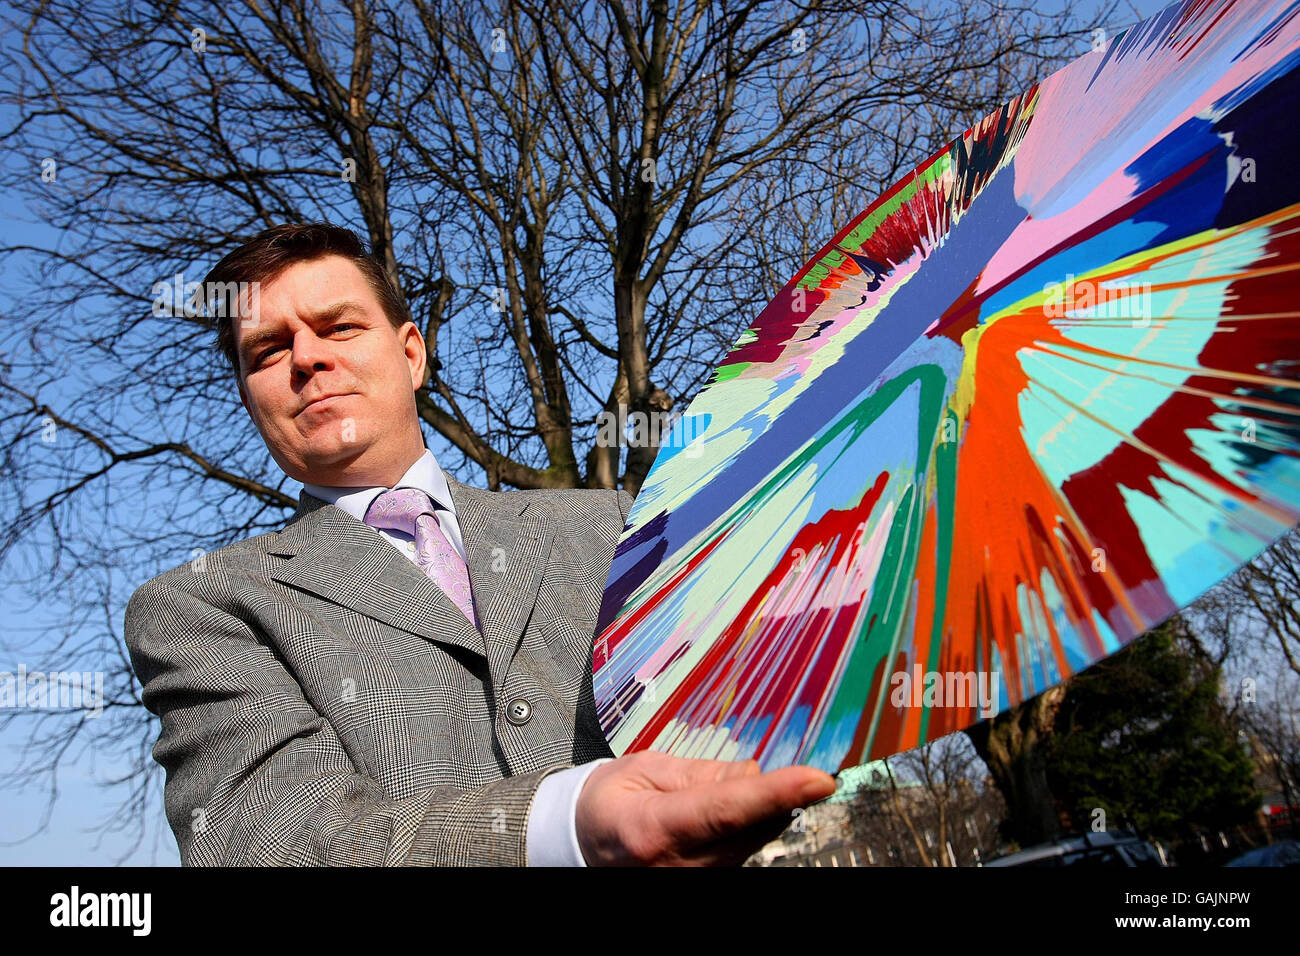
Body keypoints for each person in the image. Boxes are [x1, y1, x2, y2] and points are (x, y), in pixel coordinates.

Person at [124, 222, 836, 866]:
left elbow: (769, 666)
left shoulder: (609, 523)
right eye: (268, 349)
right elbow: (270, 847)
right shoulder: (201, 606)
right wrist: (563, 824)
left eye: (337, 327)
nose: (305, 359)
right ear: (253, 399)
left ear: (411, 355)